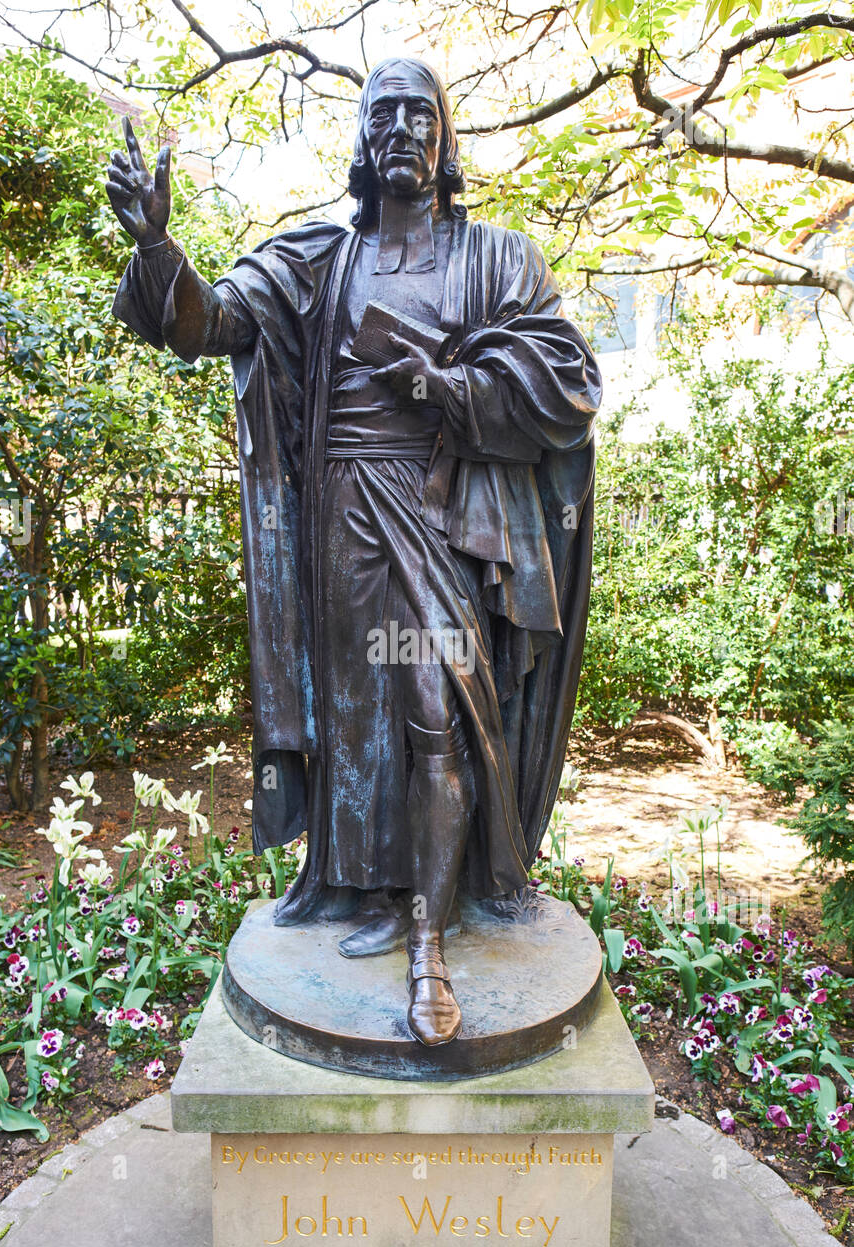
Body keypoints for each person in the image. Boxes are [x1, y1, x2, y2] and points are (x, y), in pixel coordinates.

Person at [107, 57, 602, 1048]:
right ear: (361, 138)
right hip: (339, 523)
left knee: (433, 708)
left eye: (420, 113)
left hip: (440, 519)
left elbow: (567, 378)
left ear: (443, 140)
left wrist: (442, 386)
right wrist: (157, 242)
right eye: (382, 112)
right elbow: (209, 323)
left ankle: (427, 939)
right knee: (357, 722)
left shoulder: (496, 258)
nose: (400, 128)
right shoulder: (318, 261)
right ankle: (377, 891)